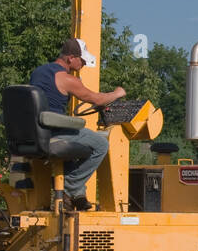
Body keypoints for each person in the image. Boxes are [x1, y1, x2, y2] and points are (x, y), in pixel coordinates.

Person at [28, 37, 125, 211]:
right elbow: (97, 98)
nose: (84, 64)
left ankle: (77, 196)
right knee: (101, 144)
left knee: (78, 141)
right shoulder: (68, 80)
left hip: (35, 132)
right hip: (54, 132)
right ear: (71, 58)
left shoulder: (38, 72)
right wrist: (117, 93)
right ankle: (70, 187)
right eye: (82, 60)